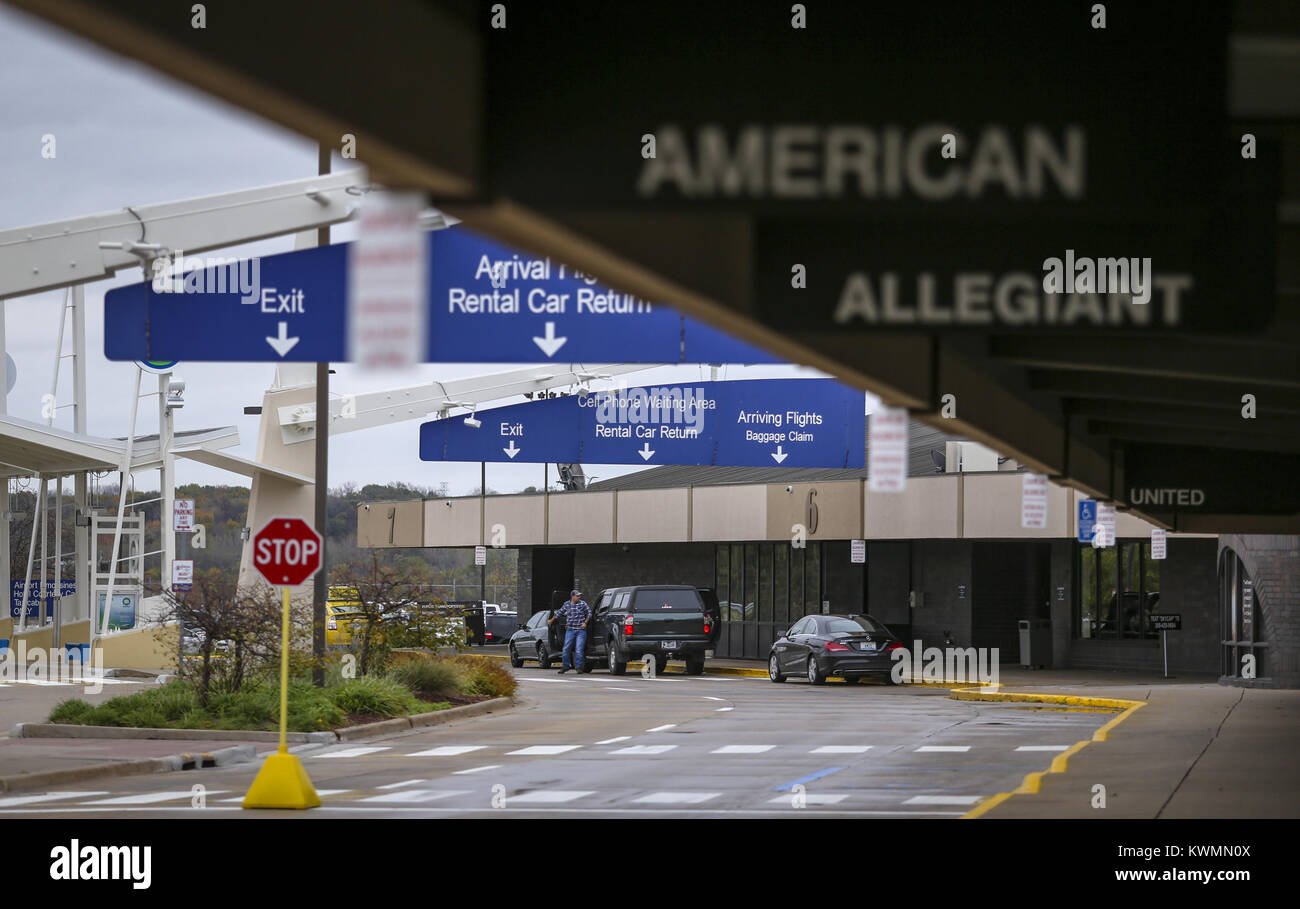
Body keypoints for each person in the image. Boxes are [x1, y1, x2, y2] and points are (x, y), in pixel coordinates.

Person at [548, 589, 591, 674]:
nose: (579, 597)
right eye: (577, 596)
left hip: (580, 630)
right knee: (566, 648)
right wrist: (551, 620)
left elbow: (589, 613)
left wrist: (585, 623)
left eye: (579, 596)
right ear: (572, 596)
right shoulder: (567, 604)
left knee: (579, 649)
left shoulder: (583, 604)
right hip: (570, 630)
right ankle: (565, 666)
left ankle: (578, 667)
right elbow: (559, 613)